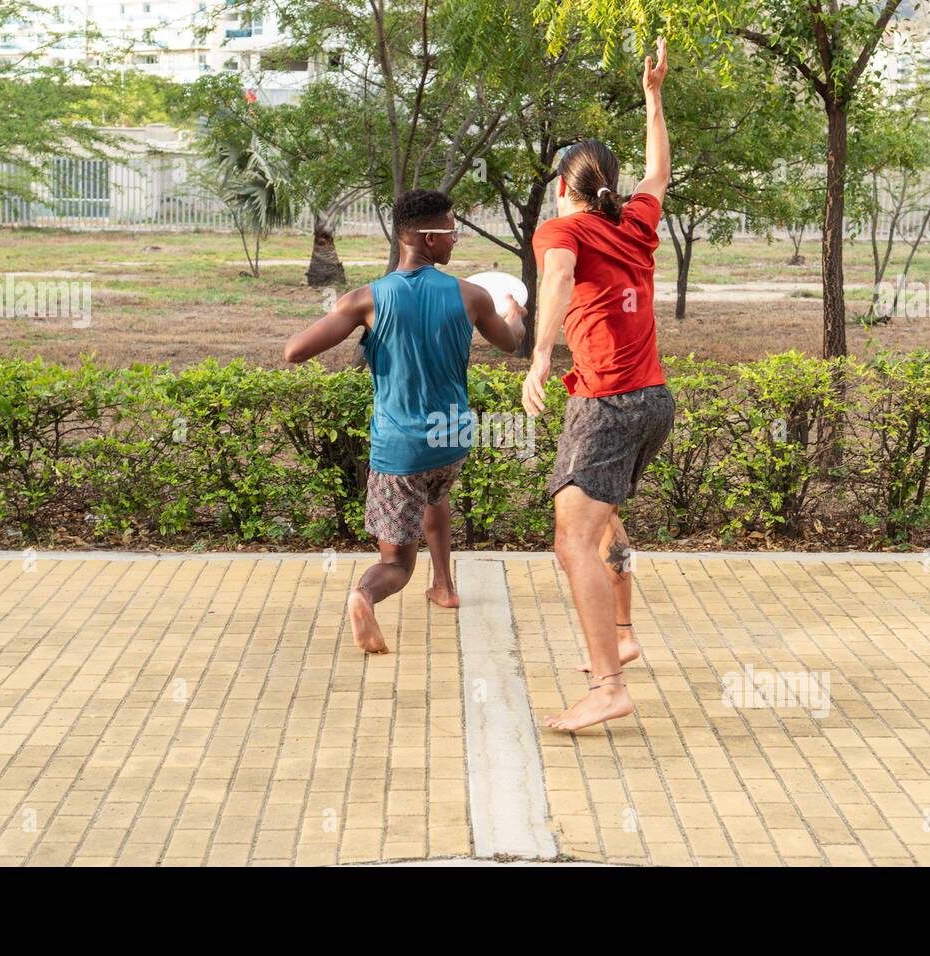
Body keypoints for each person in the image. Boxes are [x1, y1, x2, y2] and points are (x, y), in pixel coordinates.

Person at [285, 188, 527, 653]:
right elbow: (511, 341)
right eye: (452, 232)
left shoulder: (366, 299)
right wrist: (514, 313)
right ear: (428, 238)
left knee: (396, 563)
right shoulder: (471, 295)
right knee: (435, 494)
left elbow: (295, 352)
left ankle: (364, 594)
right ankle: (445, 587)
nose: (456, 240)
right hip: (451, 441)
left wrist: (352, 318)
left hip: (400, 449)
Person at [524, 37, 673, 732]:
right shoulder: (636, 220)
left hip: (608, 404)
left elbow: (554, 280)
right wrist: (652, 98)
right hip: (652, 402)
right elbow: (660, 174)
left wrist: (539, 356)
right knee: (604, 516)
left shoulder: (563, 231)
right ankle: (624, 629)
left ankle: (609, 683)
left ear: (563, 187)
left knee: (570, 540)